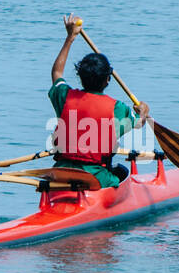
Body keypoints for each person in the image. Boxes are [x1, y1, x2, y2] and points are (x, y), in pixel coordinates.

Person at [49, 14, 150, 188]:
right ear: (107, 80)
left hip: (61, 172)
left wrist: (70, 38)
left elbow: (57, 74)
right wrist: (144, 111)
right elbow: (139, 122)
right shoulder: (117, 108)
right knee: (121, 175)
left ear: (80, 77)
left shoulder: (65, 96)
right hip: (95, 177)